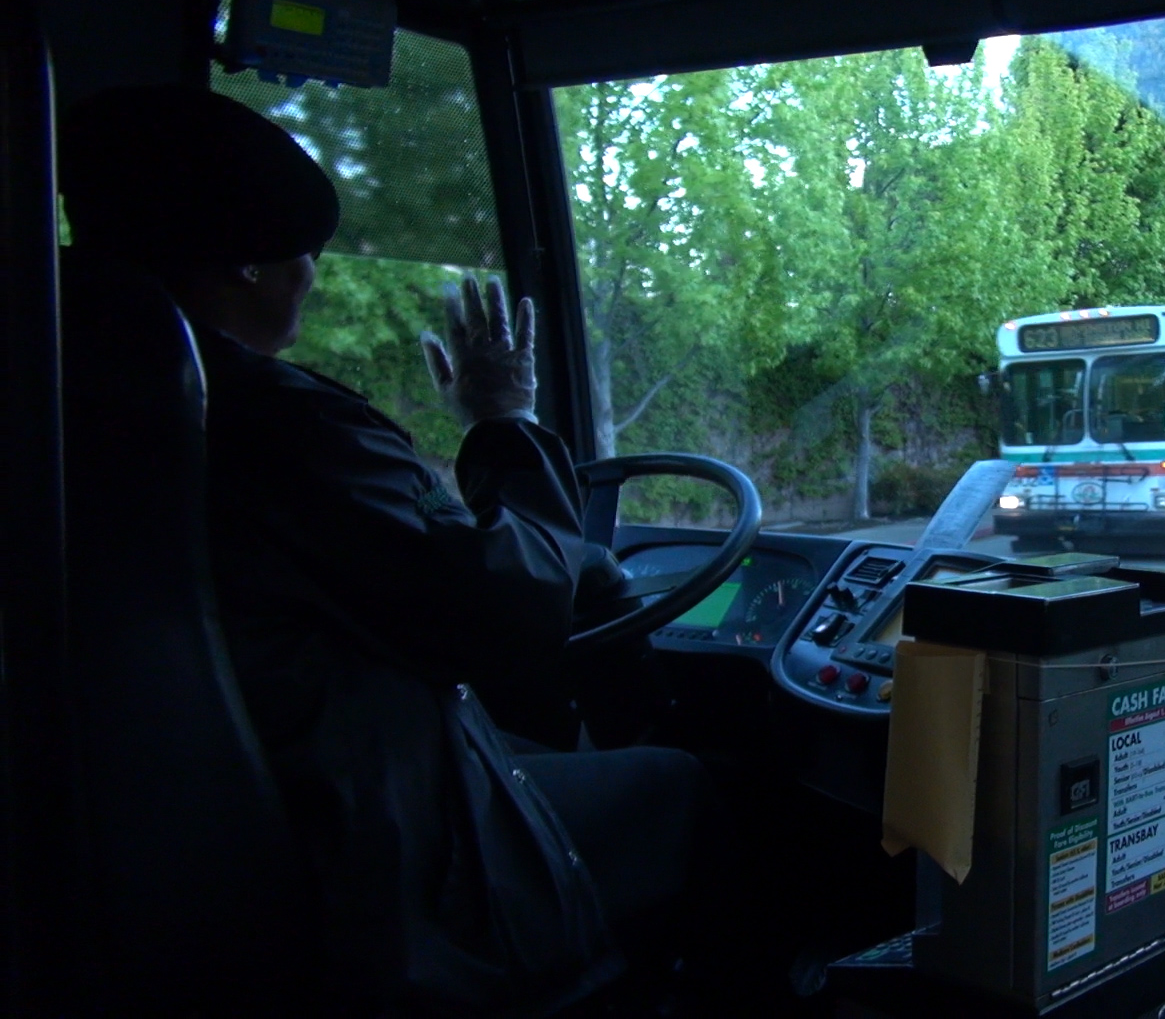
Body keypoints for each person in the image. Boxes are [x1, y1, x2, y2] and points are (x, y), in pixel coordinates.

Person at [58, 84, 714, 1015]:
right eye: (306, 255)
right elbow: (501, 603)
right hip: (362, 851)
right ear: (248, 265)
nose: (314, 278)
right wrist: (506, 422)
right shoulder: (277, 427)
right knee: (681, 778)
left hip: (171, 830)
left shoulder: (66, 392)